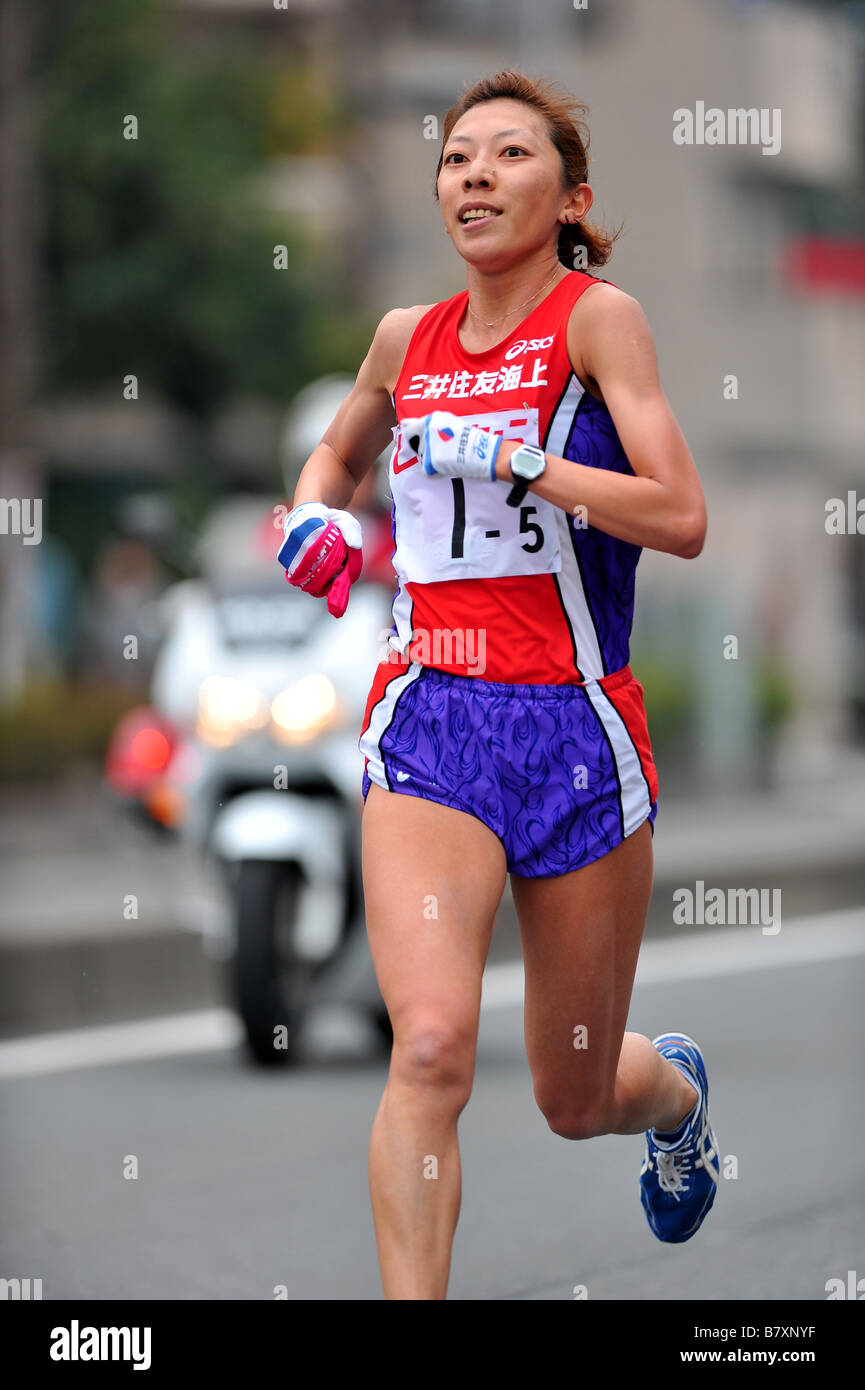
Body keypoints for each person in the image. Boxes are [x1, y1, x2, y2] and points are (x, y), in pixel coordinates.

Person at [279, 70, 715, 1301]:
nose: (472, 174)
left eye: (507, 155)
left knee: (572, 1097)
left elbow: (679, 515)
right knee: (427, 1047)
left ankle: (672, 1092)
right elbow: (338, 451)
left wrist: (529, 461)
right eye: (456, 157)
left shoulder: (596, 321)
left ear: (569, 195)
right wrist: (313, 515)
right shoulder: (401, 339)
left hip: (574, 728)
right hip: (433, 722)